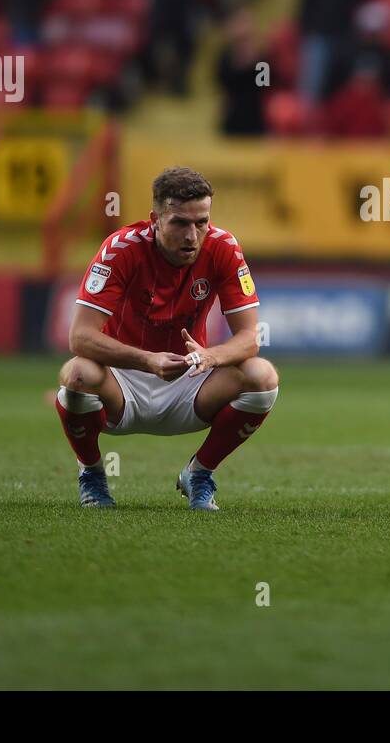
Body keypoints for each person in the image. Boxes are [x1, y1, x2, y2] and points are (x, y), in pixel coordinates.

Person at [55, 167, 280, 511]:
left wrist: (210, 357)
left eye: (201, 222)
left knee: (262, 377)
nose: (192, 235)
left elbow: (250, 337)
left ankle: (199, 473)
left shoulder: (223, 247)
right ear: (155, 219)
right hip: (122, 381)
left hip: (190, 379)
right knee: (77, 375)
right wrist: (148, 360)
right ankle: (92, 473)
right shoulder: (121, 249)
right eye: (179, 223)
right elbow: (80, 337)